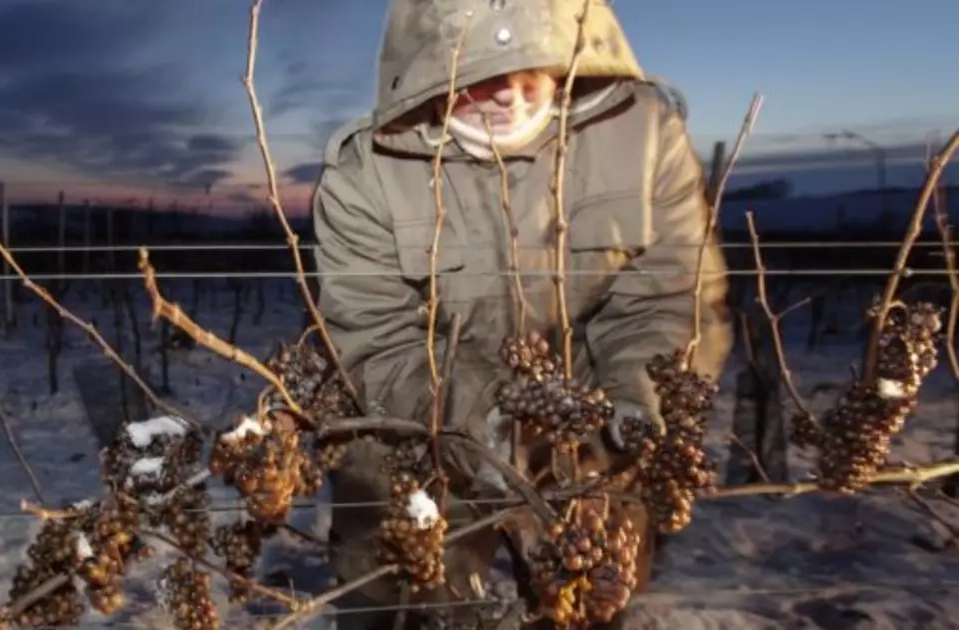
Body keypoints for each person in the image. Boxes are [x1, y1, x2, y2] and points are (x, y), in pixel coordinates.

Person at [310, 0, 732, 628]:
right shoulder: (362, 176)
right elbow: (375, 339)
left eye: (528, 65)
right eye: (480, 74)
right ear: (429, 71)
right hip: (414, 434)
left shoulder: (646, 137)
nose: (508, 95)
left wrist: (632, 410)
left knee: (586, 596)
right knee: (398, 599)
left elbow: (668, 299)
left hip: (591, 433)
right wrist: (486, 426)